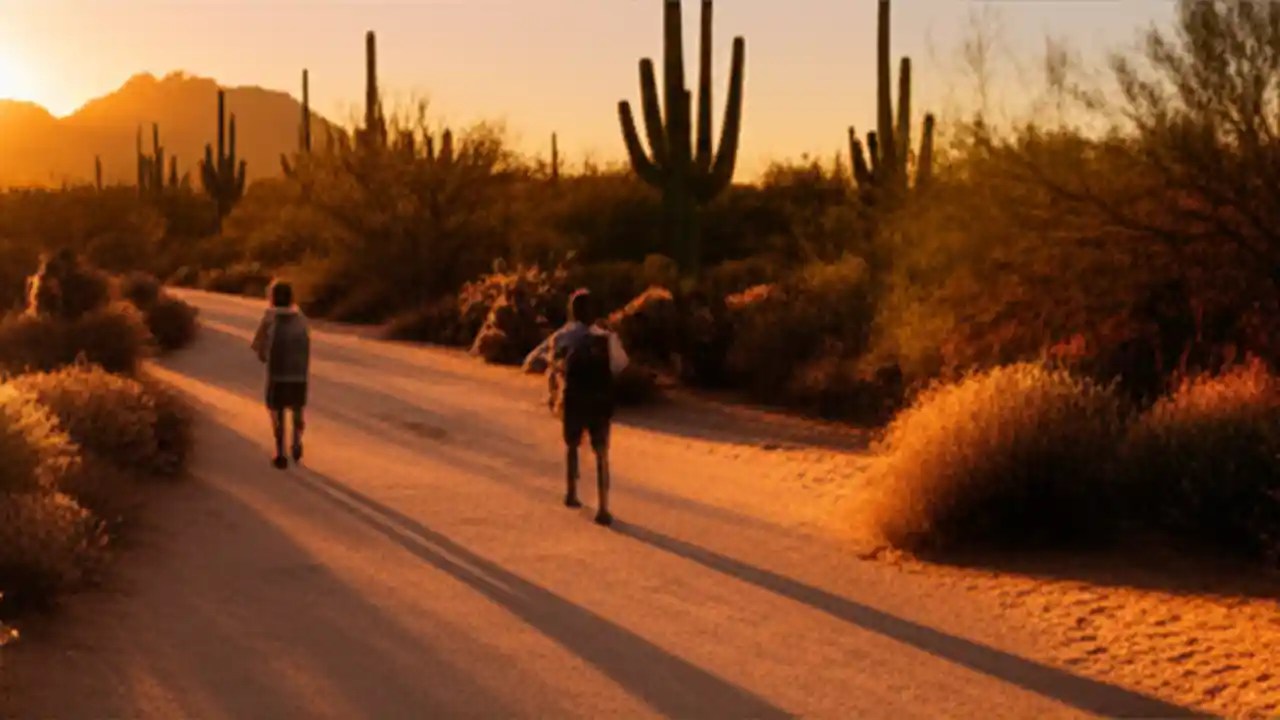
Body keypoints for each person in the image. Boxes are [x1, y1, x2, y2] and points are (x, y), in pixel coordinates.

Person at [545, 289, 628, 526]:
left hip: (574, 398)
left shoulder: (562, 336)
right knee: (601, 452)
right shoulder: (607, 337)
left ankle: (572, 493)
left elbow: (554, 363)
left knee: (572, 445)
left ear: (571, 311)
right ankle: (603, 507)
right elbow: (620, 365)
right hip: (600, 400)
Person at [251, 280, 311, 469]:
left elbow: (257, 344)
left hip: (277, 373)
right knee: (297, 409)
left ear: (272, 297)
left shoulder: (269, 316)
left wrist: (263, 353)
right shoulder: (300, 317)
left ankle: (280, 452)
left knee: (276, 410)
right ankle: (296, 442)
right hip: (299, 374)